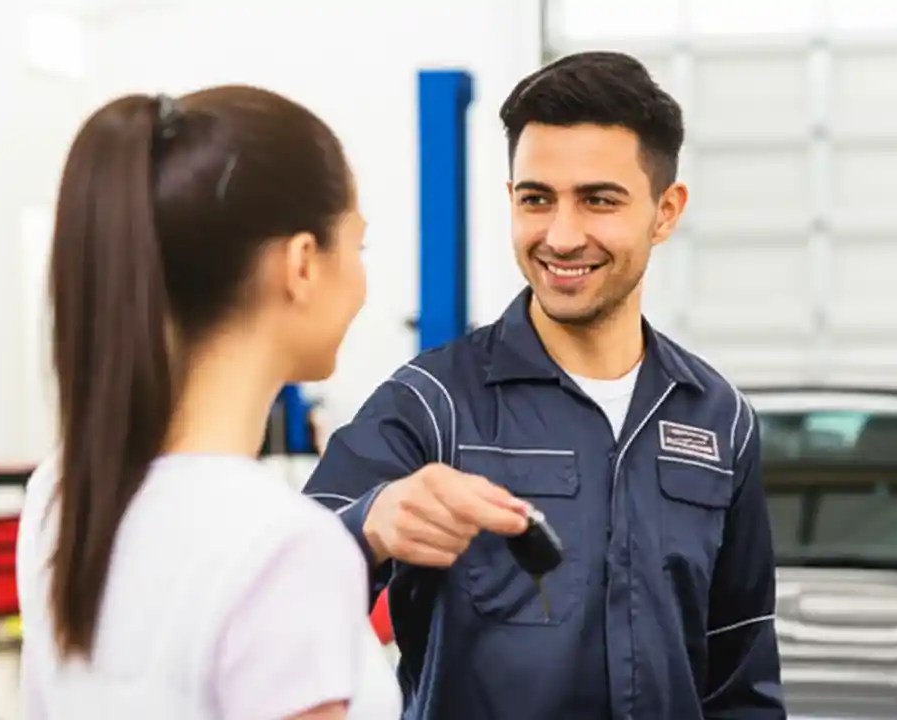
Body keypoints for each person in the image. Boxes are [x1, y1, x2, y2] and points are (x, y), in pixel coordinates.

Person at [304, 51, 785, 719]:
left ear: (665, 212)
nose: (560, 236)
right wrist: (370, 523)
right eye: (536, 199)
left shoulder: (717, 421)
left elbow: (740, 672)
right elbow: (286, 581)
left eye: (598, 200)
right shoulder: (434, 406)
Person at [15, 86, 402, 719]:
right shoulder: (284, 545)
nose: (361, 281)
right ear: (301, 265)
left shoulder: (63, 493)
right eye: (357, 247)